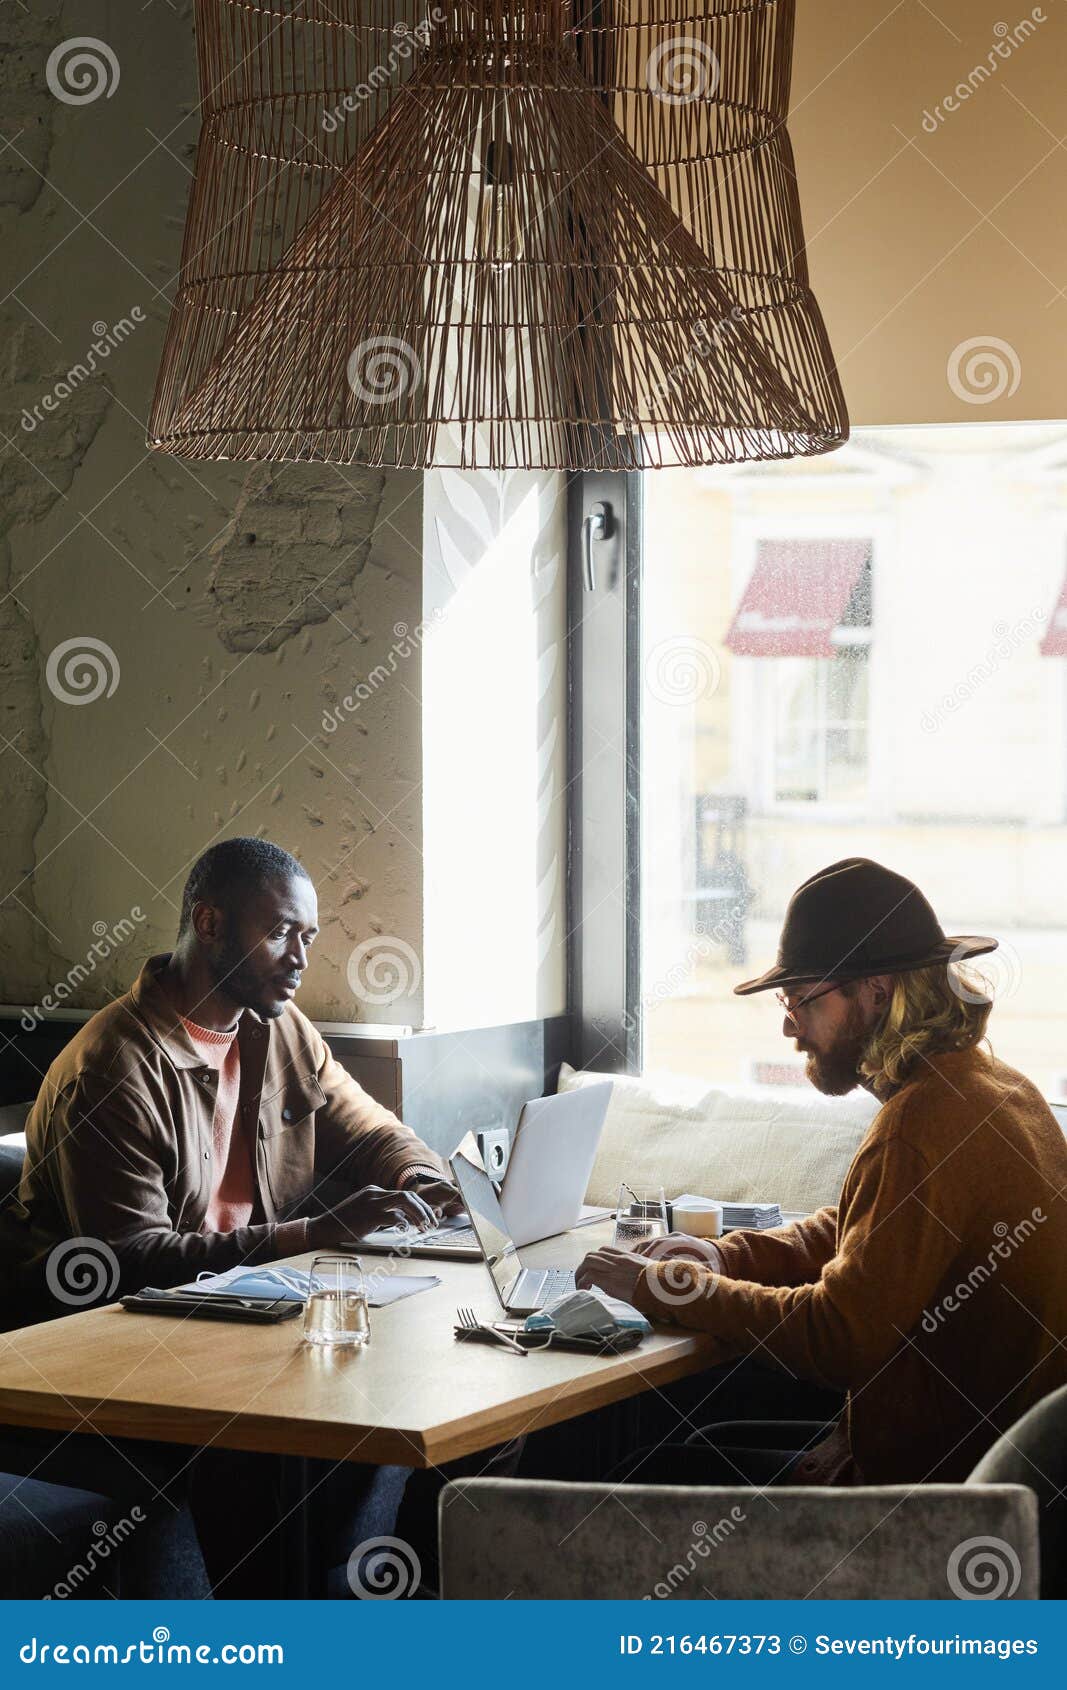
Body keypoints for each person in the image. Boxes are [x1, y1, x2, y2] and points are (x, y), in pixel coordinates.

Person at [6, 836, 463, 1595]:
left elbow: (375, 1130)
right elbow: (127, 1264)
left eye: (309, 938)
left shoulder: (277, 1028)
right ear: (209, 923)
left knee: (402, 1403)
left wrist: (424, 1180)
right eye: (281, 931)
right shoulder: (113, 1067)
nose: (299, 958)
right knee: (298, 1443)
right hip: (117, 1355)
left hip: (244, 1329)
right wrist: (310, 1235)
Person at [574, 857, 1067, 1487]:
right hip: (989, 1477)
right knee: (691, 1439)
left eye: (800, 999)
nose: (788, 1025)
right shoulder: (995, 1087)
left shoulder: (923, 1127)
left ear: (876, 994)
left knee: (638, 1472)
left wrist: (666, 1286)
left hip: (926, 1507)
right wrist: (726, 1257)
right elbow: (866, 1228)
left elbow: (838, 1337)